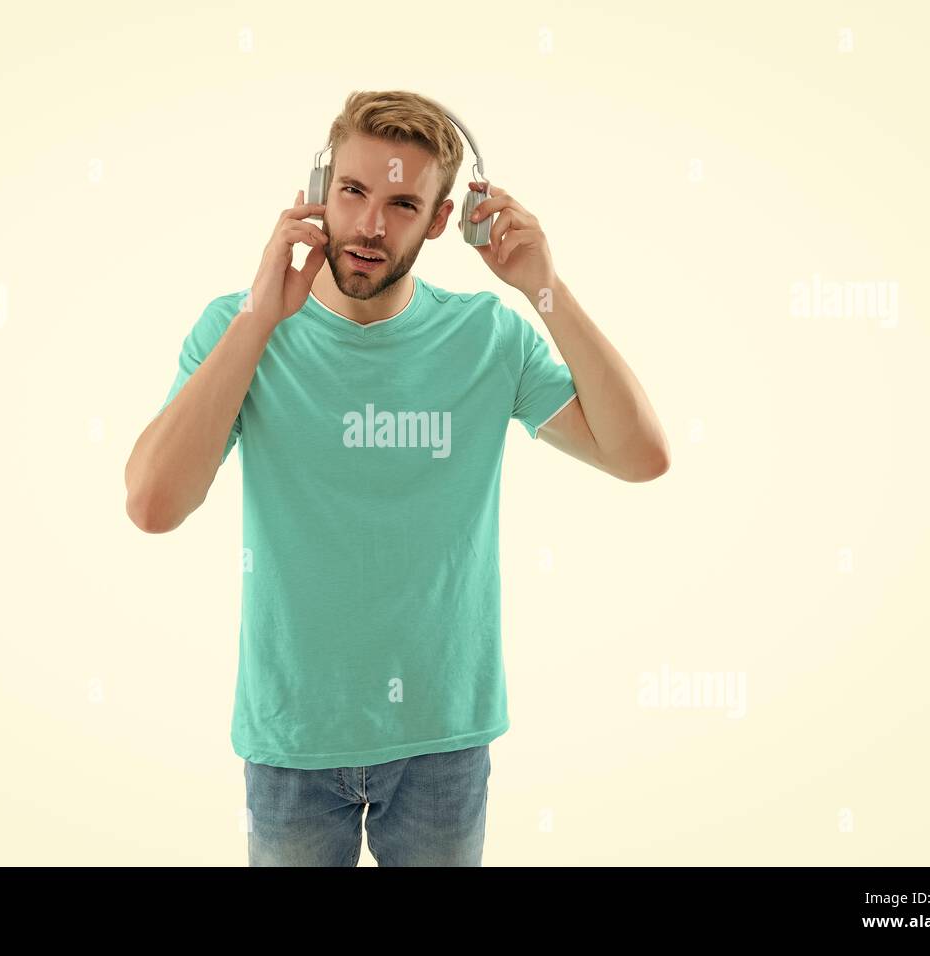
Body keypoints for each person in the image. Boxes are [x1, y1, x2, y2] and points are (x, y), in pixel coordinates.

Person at [124, 90, 670, 866]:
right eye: (353, 192)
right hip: (293, 737)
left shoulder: (487, 338)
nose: (371, 226)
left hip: (442, 740)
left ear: (442, 221)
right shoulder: (237, 329)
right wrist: (258, 316)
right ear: (317, 195)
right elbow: (152, 504)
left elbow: (640, 455)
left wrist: (543, 286)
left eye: (403, 202)